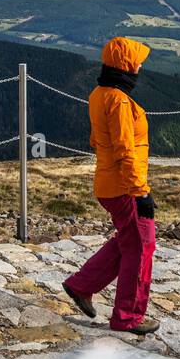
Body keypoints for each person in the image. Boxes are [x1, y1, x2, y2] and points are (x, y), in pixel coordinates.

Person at [62, 37, 159, 334]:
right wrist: (140, 191)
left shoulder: (99, 93)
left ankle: (82, 286)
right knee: (142, 246)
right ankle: (128, 317)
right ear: (126, 64)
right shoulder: (118, 100)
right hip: (125, 187)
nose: (141, 65)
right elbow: (125, 150)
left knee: (128, 241)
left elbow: (96, 141)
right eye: (137, 60)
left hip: (107, 182)